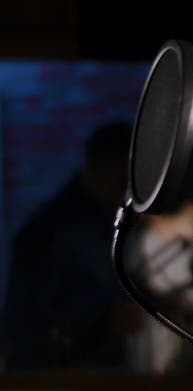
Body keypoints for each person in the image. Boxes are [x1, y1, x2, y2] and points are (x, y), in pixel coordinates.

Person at [3, 121, 140, 370]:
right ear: (110, 169)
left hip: (92, 381)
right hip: (62, 385)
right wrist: (105, 324)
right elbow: (28, 327)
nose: (128, 193)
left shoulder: (101, 224)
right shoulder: (52, 232)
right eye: (125, 180)